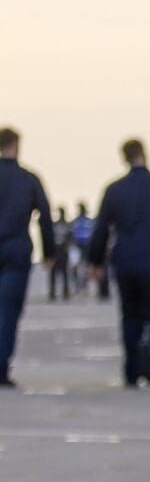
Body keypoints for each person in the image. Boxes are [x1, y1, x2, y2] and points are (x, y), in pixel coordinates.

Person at [86, 139, 150, 387]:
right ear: (145, 154)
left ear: (124, 158)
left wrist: (95, 261)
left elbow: (101, 228)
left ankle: (132, 371)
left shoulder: (114, 189)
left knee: (130, 316)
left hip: (125, 260)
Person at [0, 128, 55, 388]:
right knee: (8, 312)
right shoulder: (28, 179)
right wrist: (49, 252)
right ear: (16, 146)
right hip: (16, 250)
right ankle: (1, 366)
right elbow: (45, 216)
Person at [46, 206, 72, 301]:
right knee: (53, 273)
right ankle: (52, 293)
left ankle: (65, 292)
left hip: (63, 252)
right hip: (55, 251)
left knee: (64, 273)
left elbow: (70, 239)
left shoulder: (68, 225)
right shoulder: (55, 224)